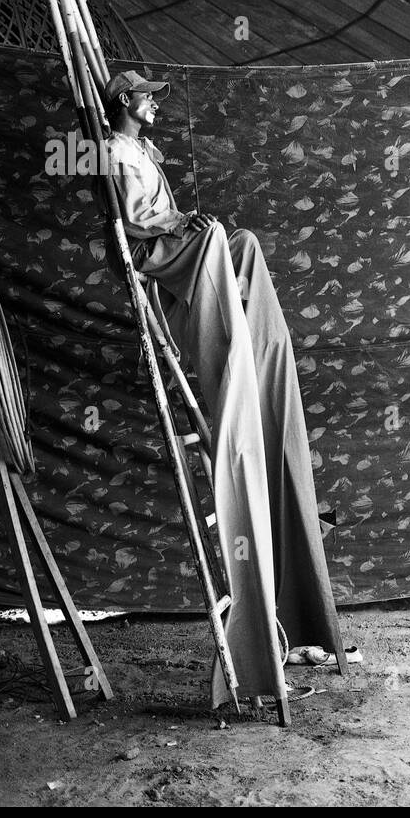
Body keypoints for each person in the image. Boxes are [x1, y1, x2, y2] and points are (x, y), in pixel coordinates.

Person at [101, 69, 346, 703]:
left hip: (175, 236)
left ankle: (260, 334)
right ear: (126, 101)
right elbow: (135, 222)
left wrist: (187, 219)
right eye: (148, 97)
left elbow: (164, 209)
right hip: (158, 254)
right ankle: (227, 335)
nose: (155, 105)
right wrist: (184, 225)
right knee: (213, 237)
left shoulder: (140, 150)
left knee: (244, 241)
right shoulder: (116, 151)